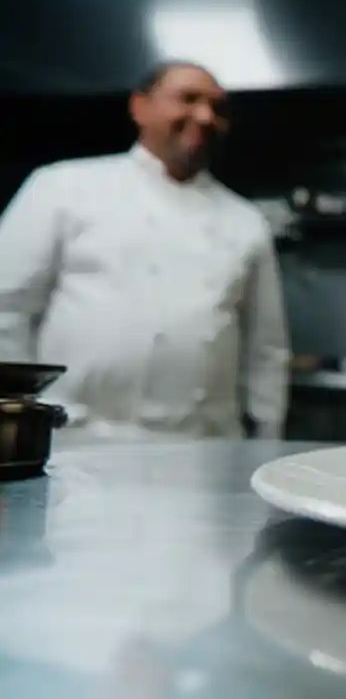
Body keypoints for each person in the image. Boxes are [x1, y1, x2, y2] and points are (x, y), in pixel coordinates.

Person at [0, 61, 290, 441]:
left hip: (203, 450)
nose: (204, 116)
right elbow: (7, 306)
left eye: (218, 108)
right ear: (139, 107)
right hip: (74, 438)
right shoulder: (62, 187)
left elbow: (265, 348)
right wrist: (19, 419)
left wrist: (268, 439)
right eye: (187, 99)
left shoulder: (245, 219)